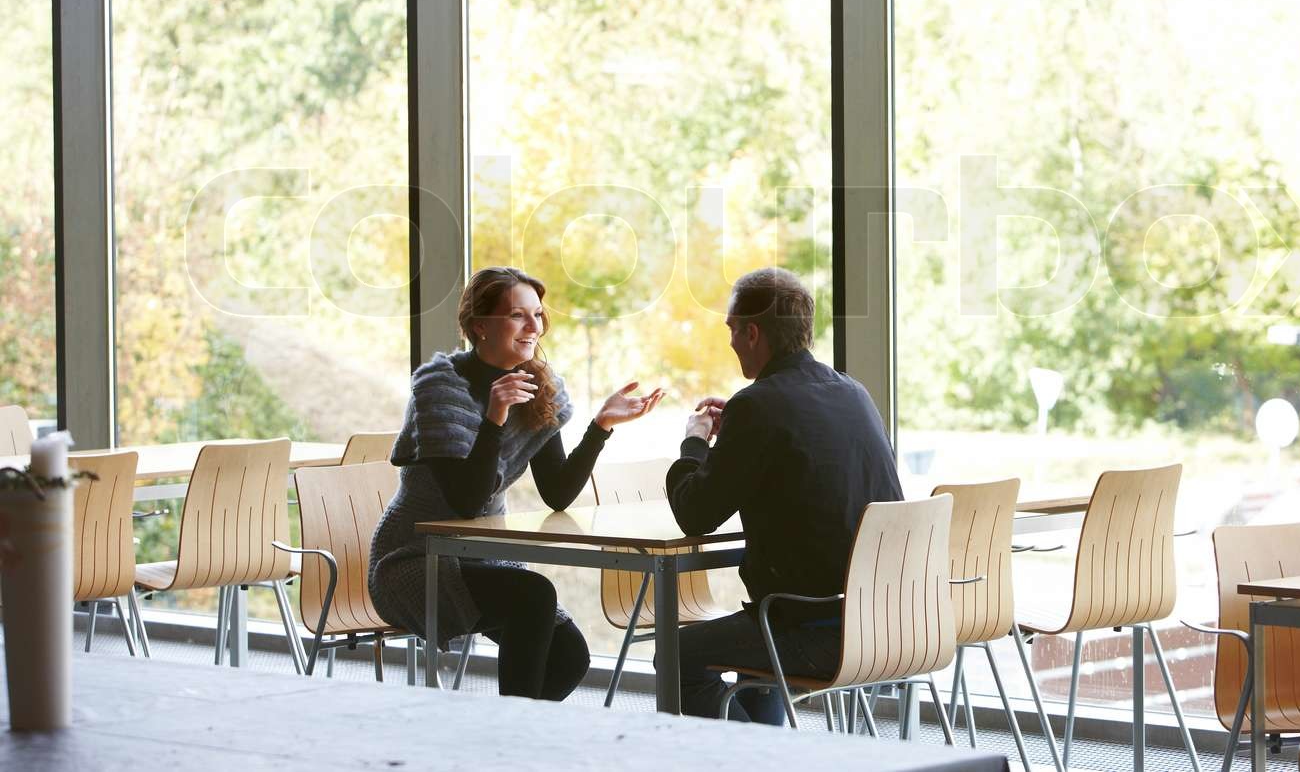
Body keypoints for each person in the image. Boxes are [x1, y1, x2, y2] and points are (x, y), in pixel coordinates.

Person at [369, 266, 662, 701]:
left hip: (480, 557)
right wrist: (494, 416)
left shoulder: (537, 386)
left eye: (538, 315)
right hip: (416, 559)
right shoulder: (439, 389)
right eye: (517, 316)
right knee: (533, 596)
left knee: (570, 657)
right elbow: (467, 501)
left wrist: (601, 426)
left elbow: (558, 492)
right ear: (479, 326)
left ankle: (499, 738)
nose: (533, 327)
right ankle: (512, 738)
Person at [663, 267, 903, 722]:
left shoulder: (758, 406)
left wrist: (694, 442)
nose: (731, 340)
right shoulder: (853, 392)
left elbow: (694, 514)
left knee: (676, 654)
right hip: (886, 618)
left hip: (814, 627)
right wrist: (736, 422)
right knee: (758, 644)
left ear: (753, 333)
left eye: (733, 329)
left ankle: (753, 757)